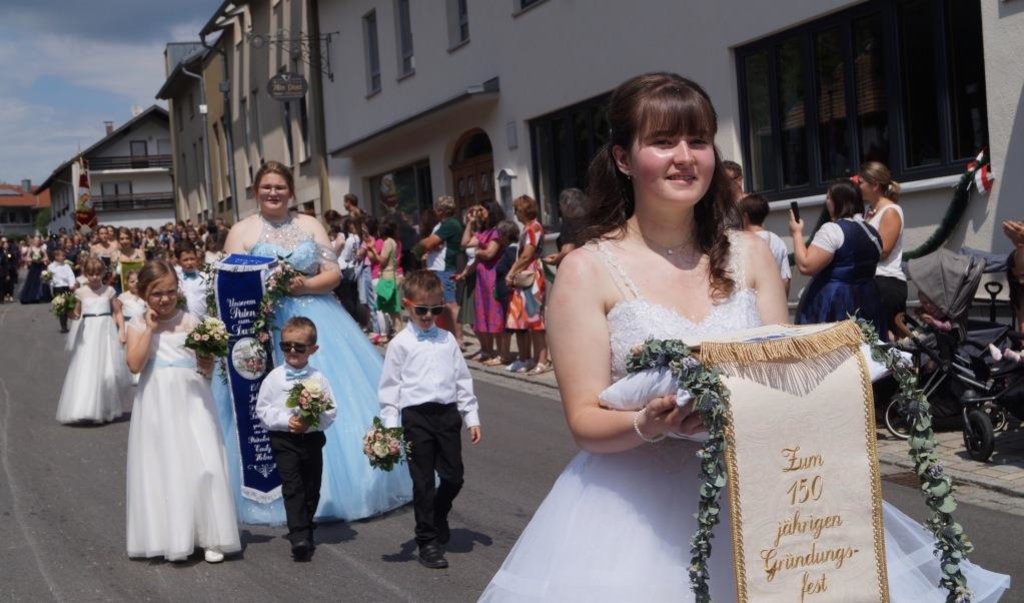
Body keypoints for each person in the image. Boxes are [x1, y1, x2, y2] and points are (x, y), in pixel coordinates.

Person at [481, 72, 1010, 602]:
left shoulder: (752, 252)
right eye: (663, 142)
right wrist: (646, 422)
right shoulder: (586, 270)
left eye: (698, 140)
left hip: (767, 496)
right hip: (635, 512)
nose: (685, 157)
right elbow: (584, 421)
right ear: (623, 158)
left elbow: (783, 374)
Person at [222, 160, 412, 525]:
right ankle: (273, 489)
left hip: (316, 318)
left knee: (330, 394)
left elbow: (334, 273)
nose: (273, 193)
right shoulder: (241, 230)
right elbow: (230, 283)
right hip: (265, 324)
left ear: (291, 191)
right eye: (266, 187)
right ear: (255, 192)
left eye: (279, 187)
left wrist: (304, 285)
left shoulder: (309, 225)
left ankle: (338, 487)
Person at [124, 260, 240, 563]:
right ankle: (171, 535)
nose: (165, 299)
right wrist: (150, 329)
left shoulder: (191, 322)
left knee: (205, 463)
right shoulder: (137, 324)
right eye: (157, 294)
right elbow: (135, 364)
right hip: (157, 402)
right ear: (143, 295)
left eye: (171, 292)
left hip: (193, 399)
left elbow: (206, 364)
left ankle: (212, 534)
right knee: (166, 466)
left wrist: (207, 360)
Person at [378, 270, 481, 570]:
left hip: (447, 415)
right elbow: (390, 388)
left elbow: (463, 379)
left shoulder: (447, 339)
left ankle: (438, 514)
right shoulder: (400, 344)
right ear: (407, 306)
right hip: (416, 417)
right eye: (421, 310)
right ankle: (427, 541)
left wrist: (471, 415)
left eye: (435, 310)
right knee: (422, 481)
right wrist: (390, 428)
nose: (428, 316)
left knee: (453, 476)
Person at [256, 316, 337, 562]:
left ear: (313, 349)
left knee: (312, 487)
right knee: (293, 487)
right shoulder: (274, 378)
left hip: (311, 441)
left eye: (299, 347)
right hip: (284, 441)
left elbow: (330, 411)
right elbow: (263, 410)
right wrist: (285, 421)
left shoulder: (319, 379)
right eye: (286, 346)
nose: (292, 351)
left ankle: (306, 523)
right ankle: (298, 535)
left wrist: (310, 422)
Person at [790, 179, 884, 334]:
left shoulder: (832, 230)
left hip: (835, 301)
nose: (826, 202)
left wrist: (796, 233)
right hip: (868, 297)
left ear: (839, 201)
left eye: (828, 197)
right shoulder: (872, 232)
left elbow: (806, 265)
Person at [55, 257, 130, 424]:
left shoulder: (109, 291)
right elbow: (76, 314)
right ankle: (86, 407)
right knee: (88, 368)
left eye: (97, 273)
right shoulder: (80, 293)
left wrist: (122, 331)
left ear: (103, 273)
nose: (95, 277)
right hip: (88, 332)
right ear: (85, 274)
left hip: (106, 331)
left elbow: (117, 312)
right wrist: (66, 310)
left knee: (108, 371)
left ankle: (107, 408)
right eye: (91, 274)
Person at [859, 161, 906, 340]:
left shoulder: (891, 211)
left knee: (887, 340)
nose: (859, 187)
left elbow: (884, 250)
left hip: (886, 282)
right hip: (872, 281)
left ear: (875, 185)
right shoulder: (868, 211)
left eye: (861, 183)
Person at [505, 195, 550, 375]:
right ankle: (533, 358)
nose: (515, 213)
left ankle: (542, 360)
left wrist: (511, 272)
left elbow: (526, 255)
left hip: (532, 277)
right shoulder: (528, 228)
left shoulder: (534, 228)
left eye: (516, 209)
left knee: (536, 320)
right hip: (527, 276)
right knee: (529, 320)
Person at [419, 196, 465, 348]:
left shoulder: (450, 224)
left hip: (444, 268)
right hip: (436, 268)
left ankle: (459, 338)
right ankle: (449, 335)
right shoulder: (442, 224)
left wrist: (424, 243)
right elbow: (429, 244)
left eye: (437, 209)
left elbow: (429, 243)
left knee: (451, 304)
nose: (435, 212)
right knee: (442, 304)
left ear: (442, 210)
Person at [739, 193, 792, 296]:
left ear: (745, 216)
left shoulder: (739, 242)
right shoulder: (777, 241)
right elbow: (785, 279)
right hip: (772, 300)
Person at [489, 220, 521, 367]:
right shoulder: (510, 250)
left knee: (508, 327)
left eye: (499, 234)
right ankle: (504, 354)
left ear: (505, 235)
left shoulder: (511, 251)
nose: (498, 237)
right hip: (505, 293)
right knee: (506, 326)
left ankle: (504, 355)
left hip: (508, 294)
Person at [365, 220, 403, 340]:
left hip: (387, 277)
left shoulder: (387, 242)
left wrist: (373, 250)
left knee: (388, 308)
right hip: (392, 275)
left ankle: (391, 333)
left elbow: (382, 260)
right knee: (392, 308)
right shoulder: (394, 242)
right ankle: (398, 331)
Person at [543, 188, 589, 268]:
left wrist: (555, 260)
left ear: (565, 205)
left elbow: (567, 251)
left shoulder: (569, 224)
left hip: (574, 268)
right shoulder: (589, 222)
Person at [175, 243, 209, 319]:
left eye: (192, 259)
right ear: (178, 262)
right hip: (183, 321)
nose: (189, 263)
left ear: (196, 259)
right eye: (185, 260)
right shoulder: (176, 279)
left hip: (203, 321)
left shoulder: (204, 277)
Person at [48, 248, 77, 333]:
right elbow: (50, 278)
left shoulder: (66, 266)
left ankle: (70, 323)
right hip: (57, 288)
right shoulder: (51, 267)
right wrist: (51, 284)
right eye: (62, 255)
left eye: (64, 255)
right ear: (56, 257)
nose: (64, 257)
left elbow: (70, 276)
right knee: (61, 307)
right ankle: (63, 326)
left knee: (68, 306)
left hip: (66, 287)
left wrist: (72, 284)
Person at [19, 235, 50, 304]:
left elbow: (47, 258)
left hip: (40, 267)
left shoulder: (42, 249)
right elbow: (27, 258)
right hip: (33, 268)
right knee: (32, 282)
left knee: (41, 282)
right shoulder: (30, 249)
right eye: (35, 240)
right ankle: (31, 296)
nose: (37, 242)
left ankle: (40, 296)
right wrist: (33, 259)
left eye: (38, 241)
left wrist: (41, 260)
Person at [1, 237, 19, 302]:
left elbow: (13, 258)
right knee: (4, 284)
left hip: (10, 269)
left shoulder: (11, 251)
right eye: (3, 243)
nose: (5, 244)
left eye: (6, 243)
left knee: (11, 283)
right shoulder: (1, 251)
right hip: (3, 270)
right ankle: (5, 295)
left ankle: (11, 294)